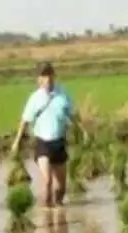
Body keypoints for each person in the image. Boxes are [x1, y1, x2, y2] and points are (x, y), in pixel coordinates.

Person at [10, 62, 79, 208]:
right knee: (47, 180)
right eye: (43, 76)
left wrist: (80, 131)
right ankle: (46, 211)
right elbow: (25, 121)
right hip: (42, 143)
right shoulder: (35, 98)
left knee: (61, 187)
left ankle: (58, 208)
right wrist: (17, 142)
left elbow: (72, 115)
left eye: (49, 75)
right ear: (39, 79)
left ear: (54, 76)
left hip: (59, 142)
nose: (47, 79)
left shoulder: (63, 94)